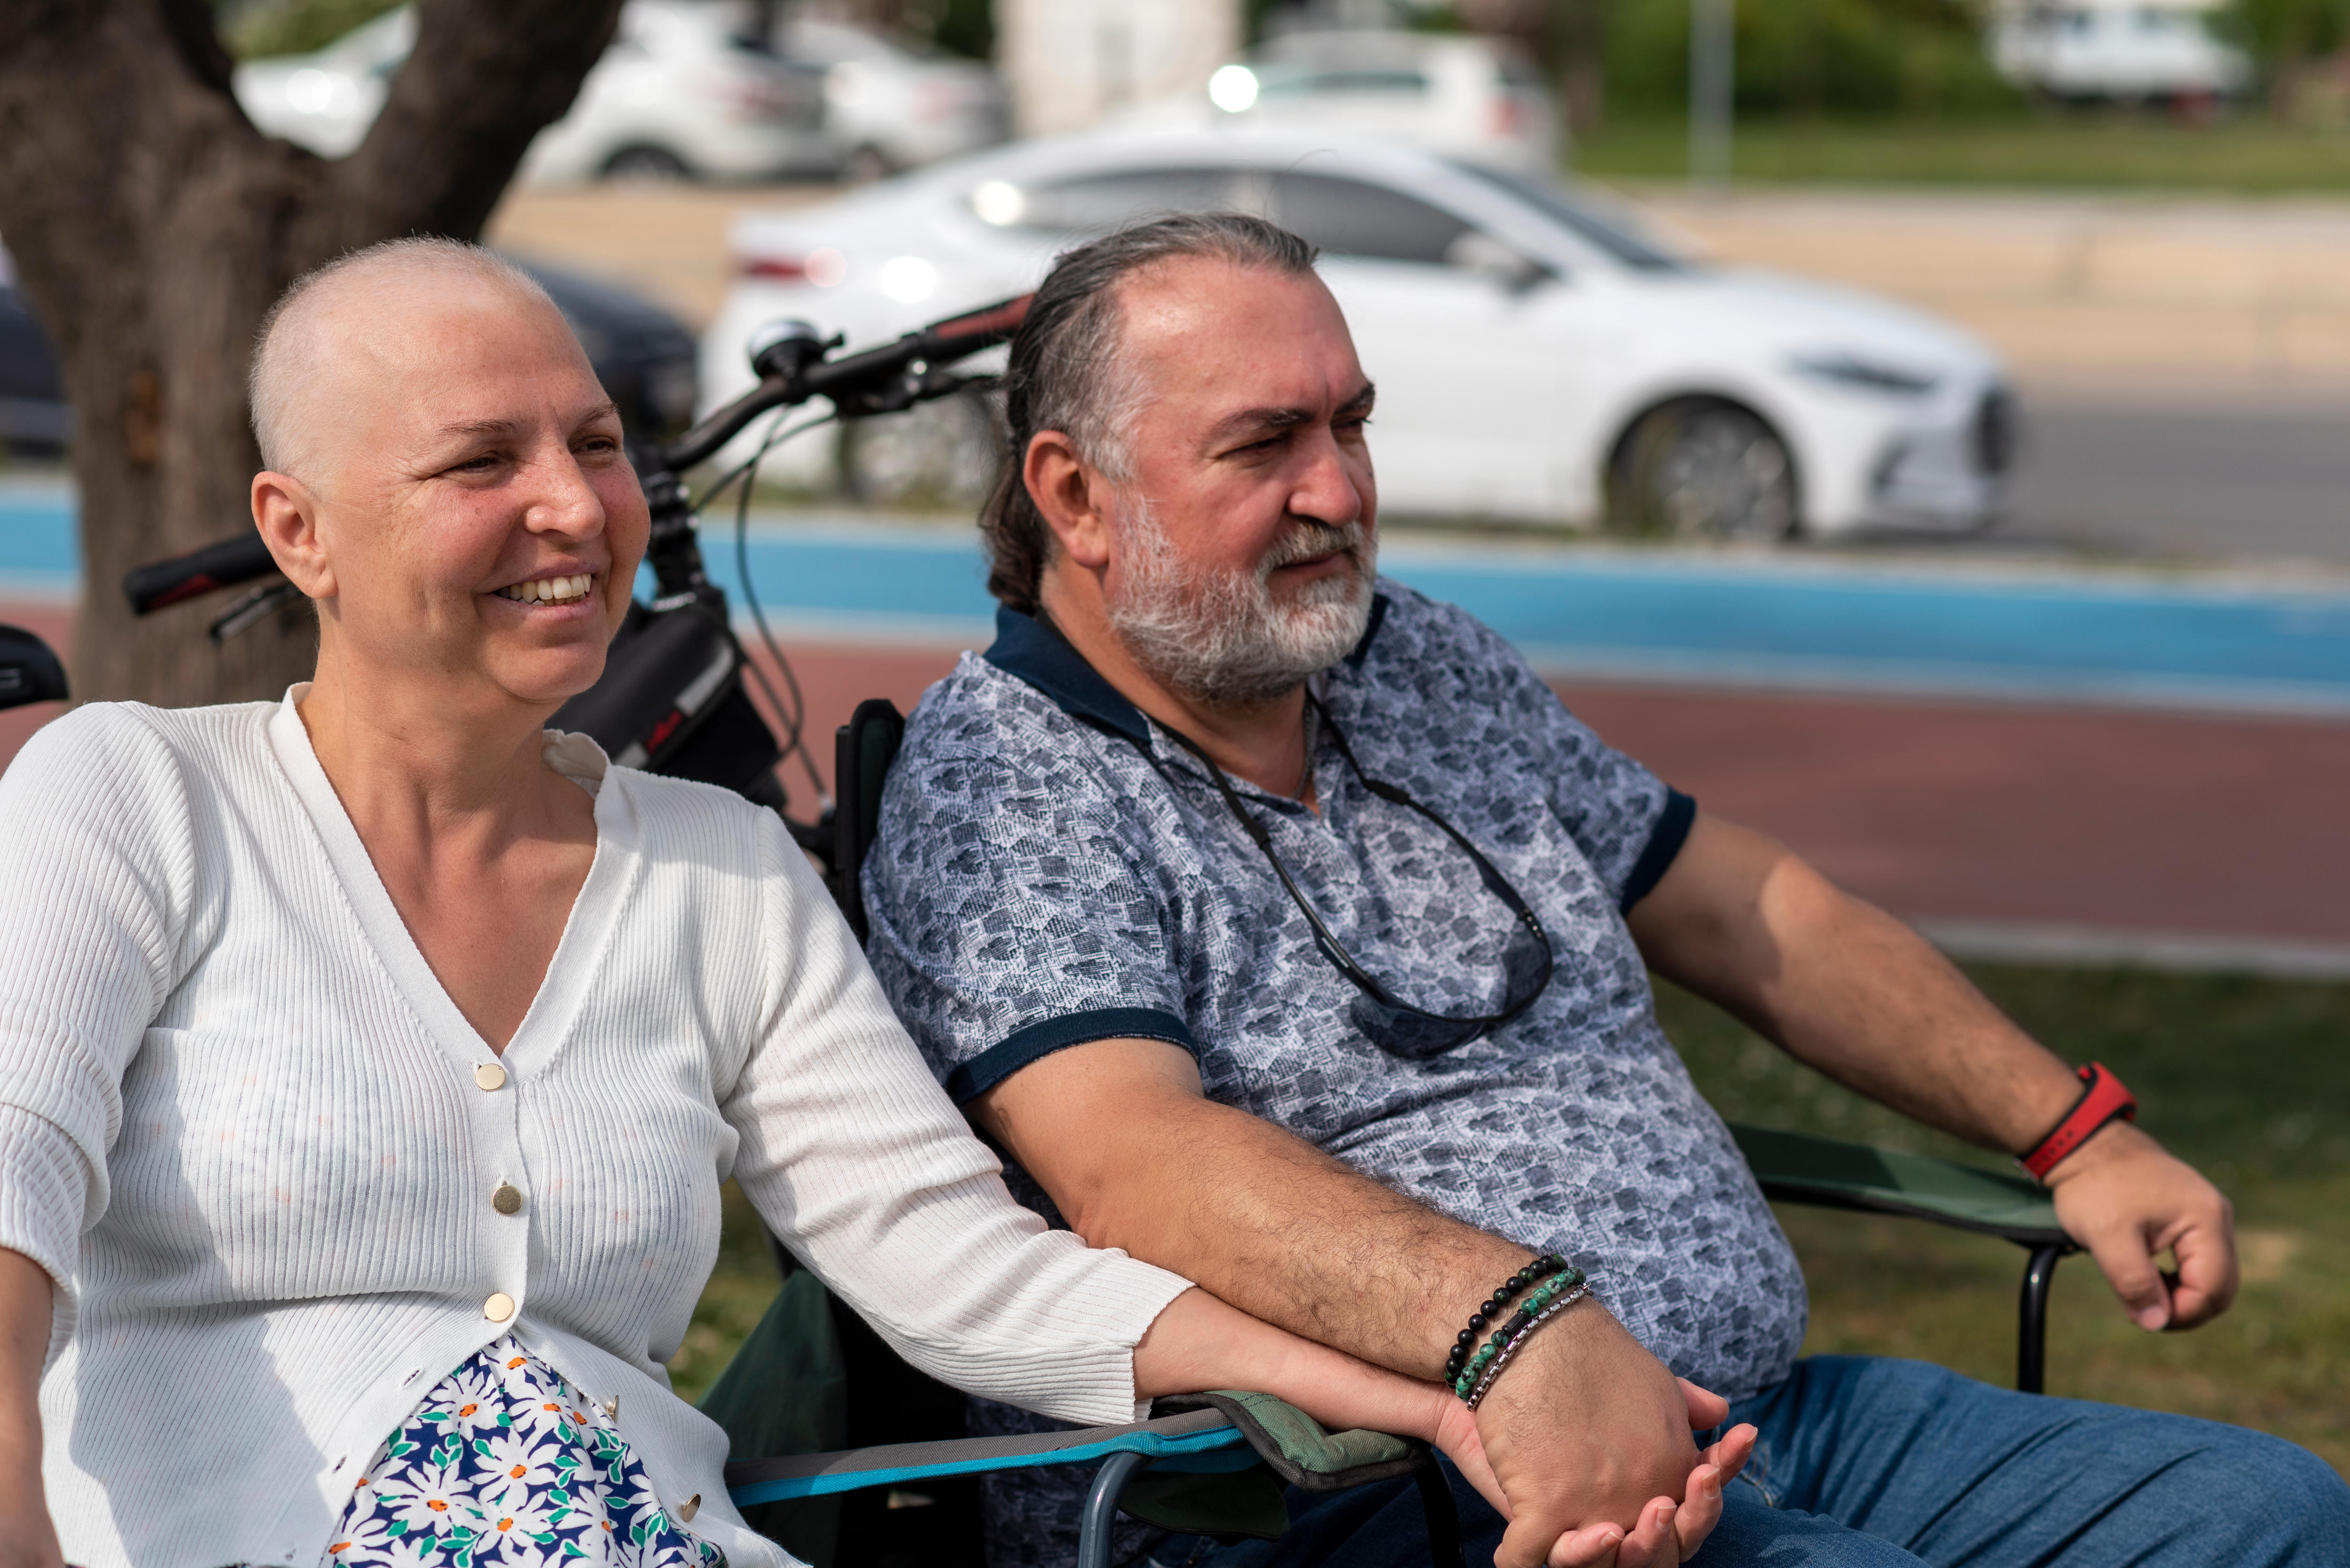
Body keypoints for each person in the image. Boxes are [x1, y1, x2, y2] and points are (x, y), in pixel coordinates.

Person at [0, 239, 1736, 1568]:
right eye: (480, 463)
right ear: (297, 529)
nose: (573, 507)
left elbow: (961, 1262)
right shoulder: (133, 799)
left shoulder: (716, 870)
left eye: (598, 442)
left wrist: (1435, 1397)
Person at [861, 211, 2350, 1568]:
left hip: (1752, 1419)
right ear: (1077, 494)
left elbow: (1741, 906)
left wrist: (2074, 1131)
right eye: (1265, 444)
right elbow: (1132, 1162)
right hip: (1347, 1493)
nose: (1340, 490)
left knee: (2273, 1515)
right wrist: (1514, 1327)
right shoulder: (1006, 776)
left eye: (1353, 423)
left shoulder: (1415, 659)